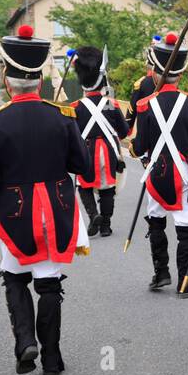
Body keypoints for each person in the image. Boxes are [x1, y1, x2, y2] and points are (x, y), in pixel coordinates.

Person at [0, 24, 91, 375]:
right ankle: (52, 361)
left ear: (8, 81)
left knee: (14, 276)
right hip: (56, 211)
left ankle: (26, 342)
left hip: (15, 213)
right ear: (39, 81)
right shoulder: (63, 116)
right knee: (49, 283)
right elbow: (82, 167)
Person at [131, 34, 188, 295]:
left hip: (158, 172)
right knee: (186, 229)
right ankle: (185, 280)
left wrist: (135, 150)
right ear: (180, 73)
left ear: (156, 72)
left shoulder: (145, 105)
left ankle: (161, 273)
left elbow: (139, 148)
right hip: (185, 172)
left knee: (156, 221)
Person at [70, 46, 129, 238]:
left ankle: (93, 215)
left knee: (84, 185)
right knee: (107, 188)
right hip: (109, 151)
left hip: (86, 151)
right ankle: (105, 225)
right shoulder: (110, 103)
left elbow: (72, 135)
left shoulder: (75, 107)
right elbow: (124, 131)